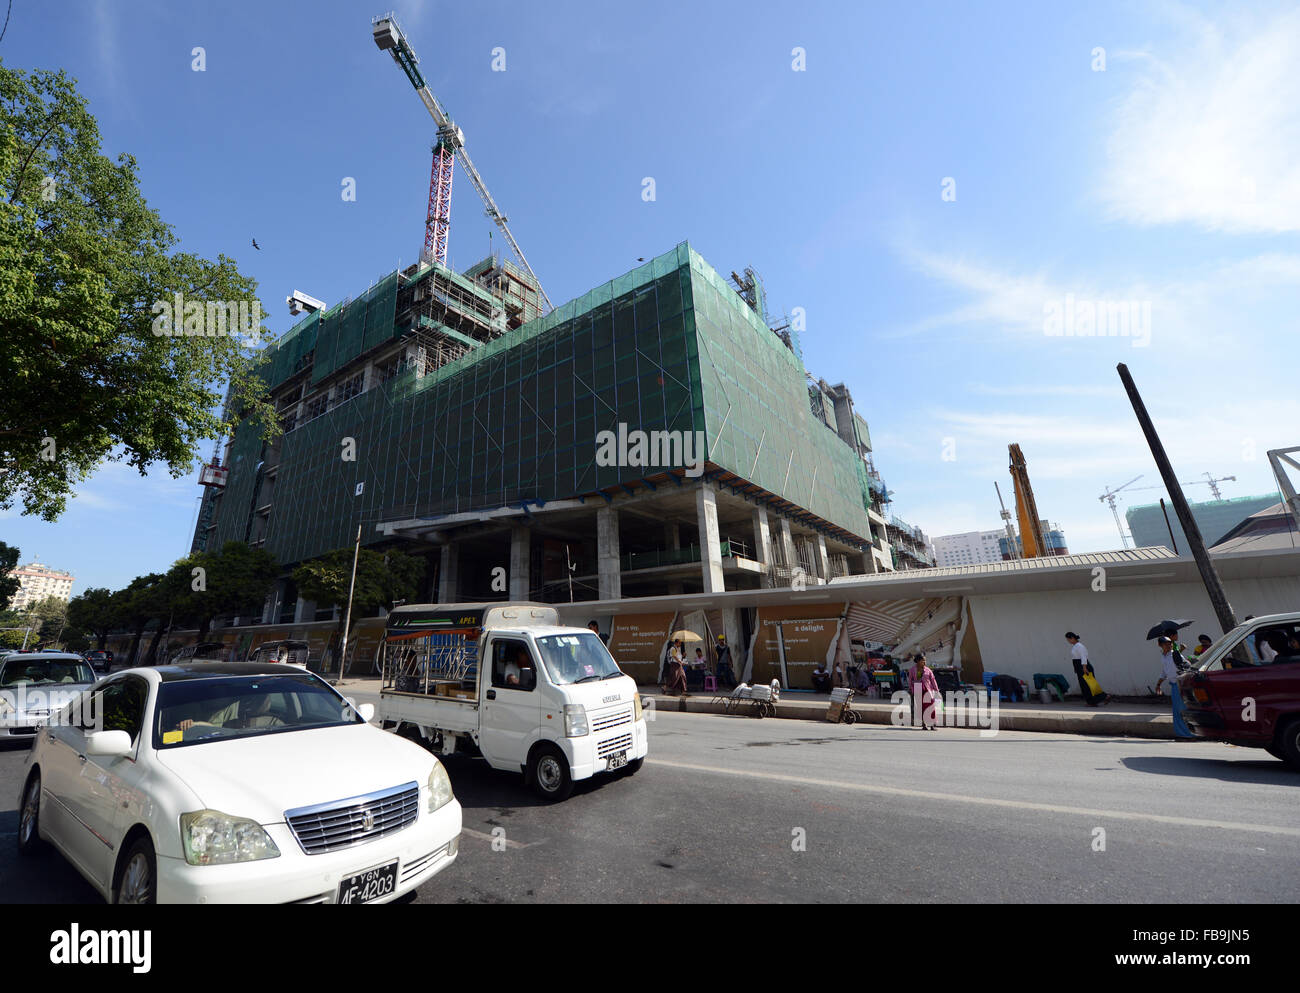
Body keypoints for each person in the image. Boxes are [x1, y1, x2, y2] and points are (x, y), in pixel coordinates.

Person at [1154, 636, 1194, 739]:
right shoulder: (1164, 656)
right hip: (1174, 685)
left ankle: (1189, 734)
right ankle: (1182, 734)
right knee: (1177, 711)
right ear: (1160, 645)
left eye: (1170, 643)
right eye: (1166, 643)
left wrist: (1180, 651)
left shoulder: (1175, 654)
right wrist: (1158, 684)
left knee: (1182, 710)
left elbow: (1184, 665)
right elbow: (1164, 672)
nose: (1169, 645)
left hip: (1180, 684)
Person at [1065, 631, 1107, 706]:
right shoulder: (1075, 646)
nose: (1068, 641)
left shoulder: (1079, 646)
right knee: (1084, 685)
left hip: (1084, 667)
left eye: (1068, 639)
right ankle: (1092, 702)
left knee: (1089, 685)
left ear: (1072, 638)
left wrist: (1084, 667)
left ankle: (1103, 697)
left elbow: (1083, 657)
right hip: (1079, 667)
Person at [909, 653, 941, 730]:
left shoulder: (928, 670)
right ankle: (924, 724)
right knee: (921, 707)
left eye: (925, 660)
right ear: (918, 661)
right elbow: (911, 680)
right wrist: (911, 689)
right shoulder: (913, 670)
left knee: (931, 707)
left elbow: (933, 680)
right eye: (923, 660)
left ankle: (932, 725)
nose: (925, 662)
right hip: (918, 689)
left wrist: (936, 691)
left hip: (928, 690)